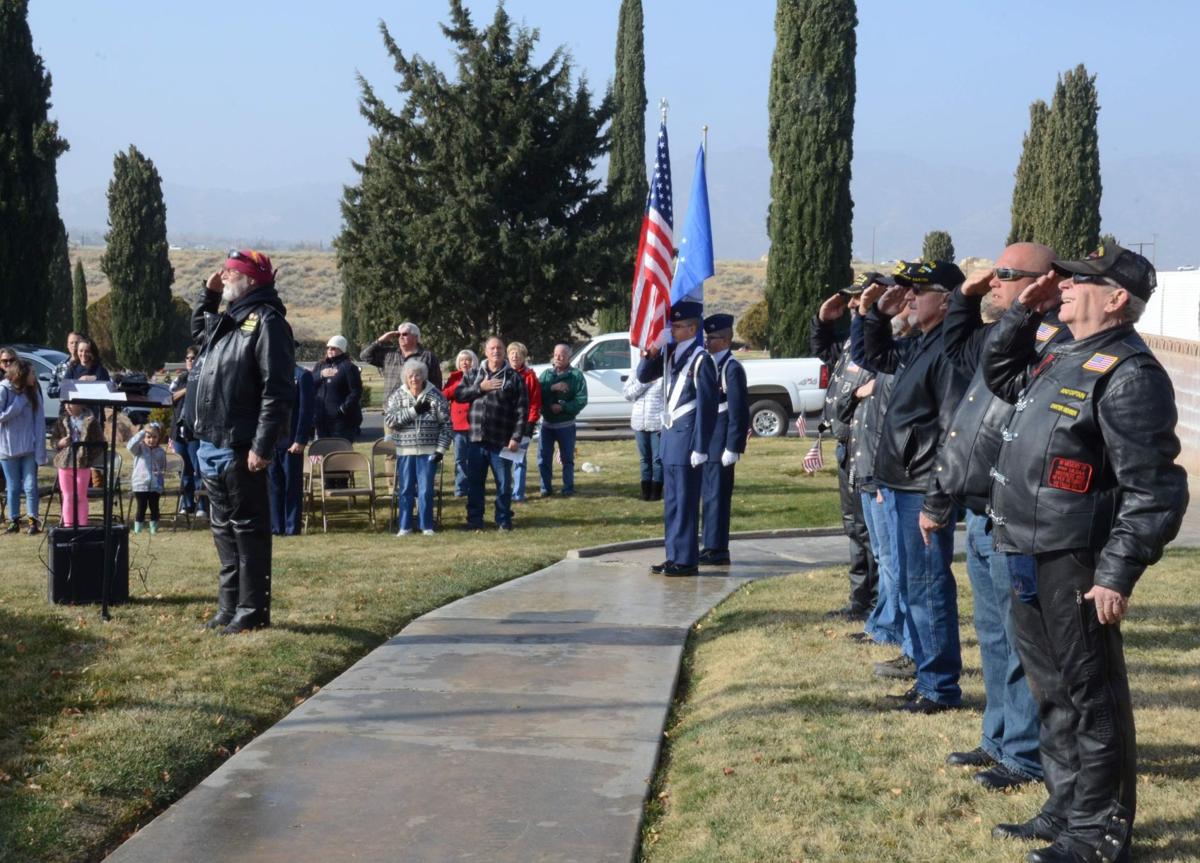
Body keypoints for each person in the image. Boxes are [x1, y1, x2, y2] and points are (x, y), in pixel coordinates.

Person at [982, 245, 1188, 862]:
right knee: (1050, 689)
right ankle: (1065, 807)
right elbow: (999, 373)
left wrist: (1117, 572)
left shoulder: (1129, 373)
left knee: (1089, 696)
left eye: (1081, 280)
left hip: (1076, 558)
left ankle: (1099, 831)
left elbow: (1154, 488)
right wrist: (1021, 314)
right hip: (1024, 545)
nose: (1064, 285)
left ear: (1117, 297)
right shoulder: (1057, 351)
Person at [931, 243, 1069, 793]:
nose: (996, 282)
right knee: (991, 634)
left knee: (1018, 640)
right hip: (982, 508)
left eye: (1007, 275)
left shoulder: (1053, 341)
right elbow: (958, 349)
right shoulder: (1005, 332)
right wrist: (966, 293)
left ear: (1044, 284)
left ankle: (1025, 753)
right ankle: (998, 737)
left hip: (1014, 509)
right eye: (995, 272)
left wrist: (1019, 311)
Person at [860, 260, 969, 714]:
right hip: (904, 482)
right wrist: (875, 317)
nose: (908, 297)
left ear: (946, 301)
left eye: (918, 291)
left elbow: (951, 431)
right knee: (913, 584)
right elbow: (876, 358)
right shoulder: (922, 341)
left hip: (923, 486)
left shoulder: (948, 348)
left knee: (927, 586)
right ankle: (926, 676)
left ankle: (939, 687)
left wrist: (935, 499)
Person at [190, 249, 295, 635]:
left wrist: (263, 446)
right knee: (223, 529)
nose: (224, 275)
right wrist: (208, 296)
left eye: (231, 272)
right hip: (211, 442)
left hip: (241, 443)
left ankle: (252, 611)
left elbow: (278, 390)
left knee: (248, 529)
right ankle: (228, 605)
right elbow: (200, 336)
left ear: (250, 280)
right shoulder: (229, 319)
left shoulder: (268, 322)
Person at [812, 274, 887, 619]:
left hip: (866, 446)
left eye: (860, 300)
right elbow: (824, 351)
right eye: (852, 300)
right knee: (854, 527)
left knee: (871, 531)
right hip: (845, 445)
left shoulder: (880, 344)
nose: (854, 305)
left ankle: (876, 603)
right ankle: (860, 600)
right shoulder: (849, 343)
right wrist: (823, 322)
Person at [636, 301, 718, 577]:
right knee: (672, 503)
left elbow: (707, 406)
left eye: (676, 326)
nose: (671, 330)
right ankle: (673, 556)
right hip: (671, 439)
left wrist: (701, 446)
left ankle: (686, 560)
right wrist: (652, 352)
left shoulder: (701, 359)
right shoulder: (669, 356)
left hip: (687, 440)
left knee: (685, 502)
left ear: (692, 328)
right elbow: (643, 375)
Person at [453, 336, 528, 531]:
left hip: (501, 441)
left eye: (500, 348)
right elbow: (459, 395)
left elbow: (522, 411)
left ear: (504, 352)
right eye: (492, 348)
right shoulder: (473, 374)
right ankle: (475, 520)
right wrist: (480, 388)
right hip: (476, 440)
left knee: (503, 484)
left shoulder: (514, 377)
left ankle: (503, 519)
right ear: (485, 352)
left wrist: (516, 437)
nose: (496, 351)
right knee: (475, 483)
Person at [698, 314, 749, 566]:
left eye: (713, 338)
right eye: (707, 337)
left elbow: (739, 410)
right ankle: (709, 543)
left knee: (718, 494)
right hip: (710, 441)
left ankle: (717, 548)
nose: (708, 342)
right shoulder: (712, 364)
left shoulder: (732, 368)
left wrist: (734, 446)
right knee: (708, 494)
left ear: (726, 340)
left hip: (722, 442)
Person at [384, 358, 452, 535]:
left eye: (418, 375)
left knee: (426, 490)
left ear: (424, 377)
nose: (414, 379)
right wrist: (414, 411)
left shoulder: (436, 395)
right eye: (410, 376)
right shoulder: (397, 396)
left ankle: (426, 525)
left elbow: (446, 425)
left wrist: (440, 450)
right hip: (405, 451)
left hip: (429, 451)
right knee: (405, 489)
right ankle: (404, 526)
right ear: (405, 377)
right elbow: (390, 421)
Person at [0, 355, 47, 535]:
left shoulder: (33, 392)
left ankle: (32, 520)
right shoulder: (4, 389)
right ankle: (13, 521)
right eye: (31, 373)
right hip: (7, 448)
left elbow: (39, 422)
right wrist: (17, 404)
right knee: (12, 486)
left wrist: (40, 451)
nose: (34, 376)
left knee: (30, 485)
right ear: (22, 375)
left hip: (29, 447)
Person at [268, 360, 315, 536]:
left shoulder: (302, 376)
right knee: (273, 485)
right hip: (272, 440)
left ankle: (291, 526)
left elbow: (306, 411)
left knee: (291, 486)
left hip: (291, 440)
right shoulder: (270, 375)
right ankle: (275, 526)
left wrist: (301, 439)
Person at [537, 344, 587, 497]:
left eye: (562, 355)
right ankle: (545, 488)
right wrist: (552, 388)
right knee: (544, 457)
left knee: (567, 458)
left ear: (569, 357)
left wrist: (563, 407)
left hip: (566, 425)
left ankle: (568, 487)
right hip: (547, 425)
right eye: (556, 354)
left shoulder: (576, 376)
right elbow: (537, 395)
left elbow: (581, 399)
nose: (558, 357)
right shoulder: (546, 375)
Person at [51, 400, 105, 527]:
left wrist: (87, 456)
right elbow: (54, 440)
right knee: (68, 496)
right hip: (65, 465)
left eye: (71, 404)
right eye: (66, 404)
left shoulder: (90, 421)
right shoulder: (62, 420)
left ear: (81, 404)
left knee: (81, 496)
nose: (68, 407)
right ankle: (68, 525)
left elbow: (100, 444)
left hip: (82, 465)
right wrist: (60, 443)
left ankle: (82, 525)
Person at [360, 321, 442, 404]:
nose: (401, 337)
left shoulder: (428, 356)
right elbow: (365, 356)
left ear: (416, 337)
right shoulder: (389, 354)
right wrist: (381, 340)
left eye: (405, 334)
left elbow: (436, 385)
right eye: (398, 335)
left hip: (417, 408)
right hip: (392, 408)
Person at [506, 342, 541, 503]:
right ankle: (505, 491)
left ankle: (518, 493)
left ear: (523, 357)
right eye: (512, 353)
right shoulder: (503, 373)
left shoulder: (529, 376)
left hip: (523, 423)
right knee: (505, 459)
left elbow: (535, 401)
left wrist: (530, 422)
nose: (514, 356)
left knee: (519, 459)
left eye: (518, 354)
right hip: (505, 423)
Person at [170, 346, 203, 517]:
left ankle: (203, 506)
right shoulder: (180, 379)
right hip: (179, 432)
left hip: (195, 432)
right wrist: (186, 389)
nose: (190, 361)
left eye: (193, 358)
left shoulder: (203, 378)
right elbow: (169, 398)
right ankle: (187, 504)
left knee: (198, 469)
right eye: (188, 358)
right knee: (184, 471)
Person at [441, 349, 477, 497]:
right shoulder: (454, 378)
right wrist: (458, 386)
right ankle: (460, 488)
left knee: (475, 459)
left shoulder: (479, 376)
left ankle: (474, 487)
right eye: (462, 360)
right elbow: (443, 396)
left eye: (468, 359)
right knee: (460, 458)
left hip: (476, 424)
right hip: (458, 424)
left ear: (473, 361)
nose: (465, 363)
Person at [312, 335, 363, 440]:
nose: (330, 350)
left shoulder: (348, 367)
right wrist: (321, 375)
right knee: (323, 451)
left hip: (341, 421)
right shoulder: (320, 365)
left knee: (339, 452)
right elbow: (310, 383)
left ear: (341, 350)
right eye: (328, 348)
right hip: (321, 419)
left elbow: (356, 392)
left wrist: (343, 409)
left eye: (333, 348)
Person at [623, 375, 663, 501]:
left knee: (657, 459)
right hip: (639, 422)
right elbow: (627, 394)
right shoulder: (637, 373)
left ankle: (656, 492)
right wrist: (645, 382)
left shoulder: (663, 373)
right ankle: (645, 492)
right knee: (644, 458)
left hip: (657, 423)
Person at [127, 423, 167, 534]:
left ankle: (154, 528)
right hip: (140, 485)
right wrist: (142, 432)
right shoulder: (139, 449)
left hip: (155, 486)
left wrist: (160, 483)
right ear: (144, 437)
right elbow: (130, 445)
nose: (151, 440)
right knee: (141, 508)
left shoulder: (161, 452)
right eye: (148, 437)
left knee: (154, 508)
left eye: (154, 437)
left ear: (159, 437)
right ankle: (138, 529)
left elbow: (162, 468)